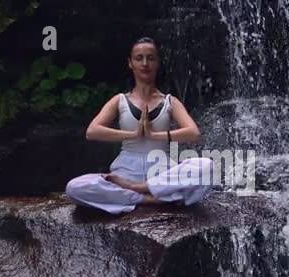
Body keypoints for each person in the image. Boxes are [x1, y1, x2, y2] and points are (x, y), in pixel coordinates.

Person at [65, 37, 214, 214]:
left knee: (207, 167)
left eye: (151, 58)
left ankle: (137, 188)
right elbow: (92, 131)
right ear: (130, 63)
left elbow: (194, 133)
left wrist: (154, 135)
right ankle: (151, 199)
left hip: (163, 172)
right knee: (74, 187)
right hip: (125, 171)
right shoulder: (120, 100)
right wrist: (134, 134)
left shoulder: (170, 101)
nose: (145, 63)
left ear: (158, 62)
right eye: (139, 58)